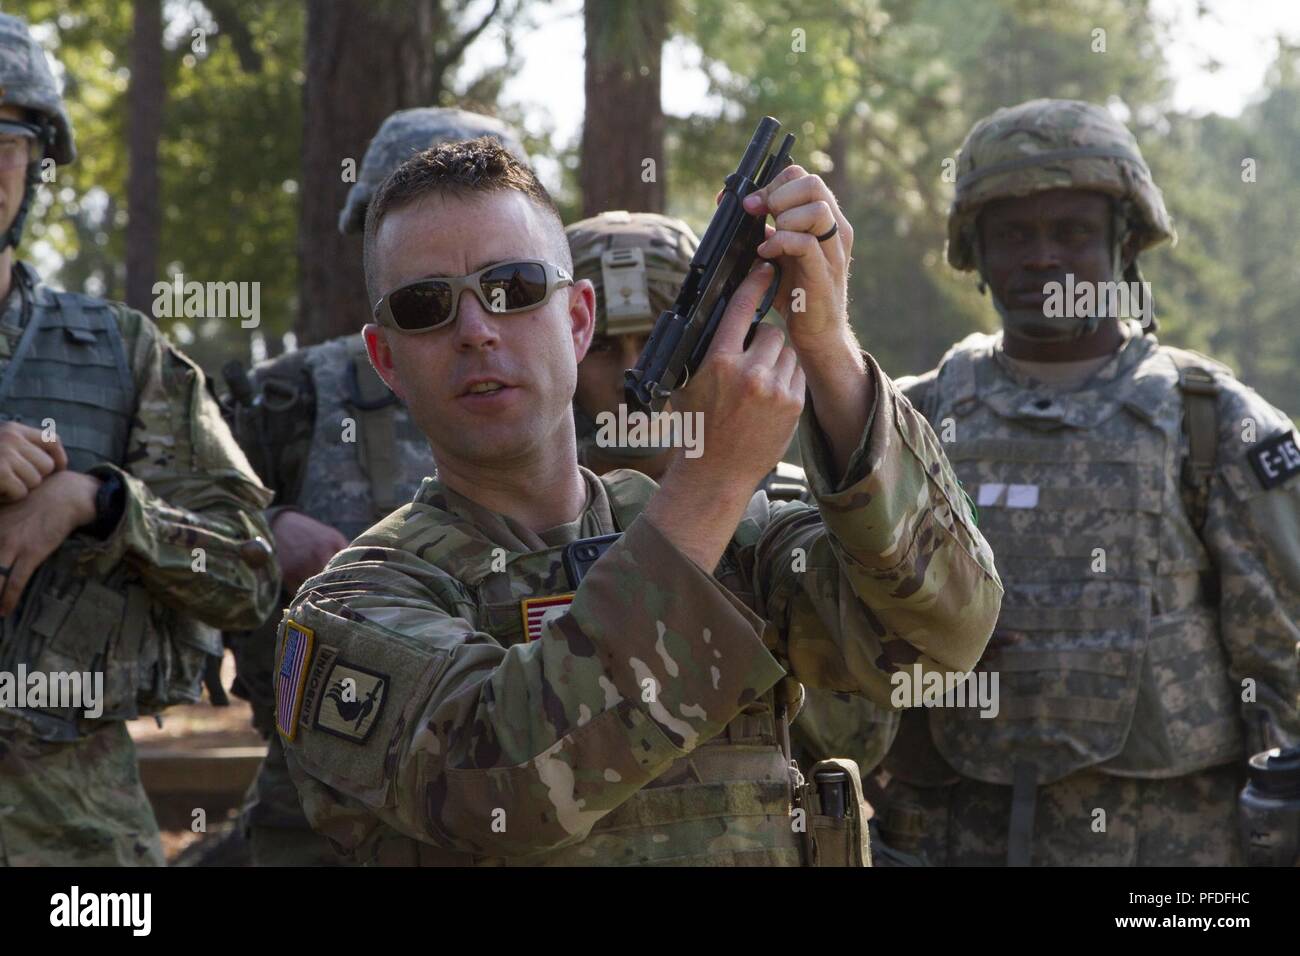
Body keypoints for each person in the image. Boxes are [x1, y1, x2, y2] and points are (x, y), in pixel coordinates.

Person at [276, 136, 1002, 865]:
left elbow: (942, 634)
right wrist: (712, 477)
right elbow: (511, 787)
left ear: (577, 319)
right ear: (386, 358)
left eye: (515, 289)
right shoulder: (350, 607)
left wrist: (830, 353)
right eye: (425, 305)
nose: (476, 331)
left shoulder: (738, 539)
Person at [873, 98, 1300, 866]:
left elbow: (1282, 654)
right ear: (976, 250)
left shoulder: (1210, 421)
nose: (1042, 257)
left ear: (1122, 242)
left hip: (1167, 847)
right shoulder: (912, 420)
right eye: (1014, 234)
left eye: (1071, 231)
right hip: (951, 833)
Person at [0, 12, 280, 866]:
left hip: (75, 847)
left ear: (38, 160)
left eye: (5, 135)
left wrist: (99, 501)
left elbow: (247, 573)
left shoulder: (123, 353)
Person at [221, 107, 527, 866]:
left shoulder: (557, 379)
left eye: (500, 274)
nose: (474, 320)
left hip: (526, 758)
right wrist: (271, 527)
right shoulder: (289, 395)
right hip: (322, 769)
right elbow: (188, 522)